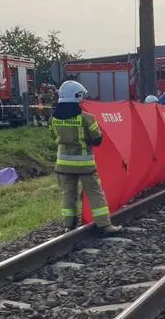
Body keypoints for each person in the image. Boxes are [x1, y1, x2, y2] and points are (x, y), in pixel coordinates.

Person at [50, 81, 122, 234]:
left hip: (63, 165)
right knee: (95, 192)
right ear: (77, 96)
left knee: (68, 194)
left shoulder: (54, 119)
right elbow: (97, 139)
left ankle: (68, 225)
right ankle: (104, 225)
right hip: (84, 165)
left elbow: (54, 137)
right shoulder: (87, 118)